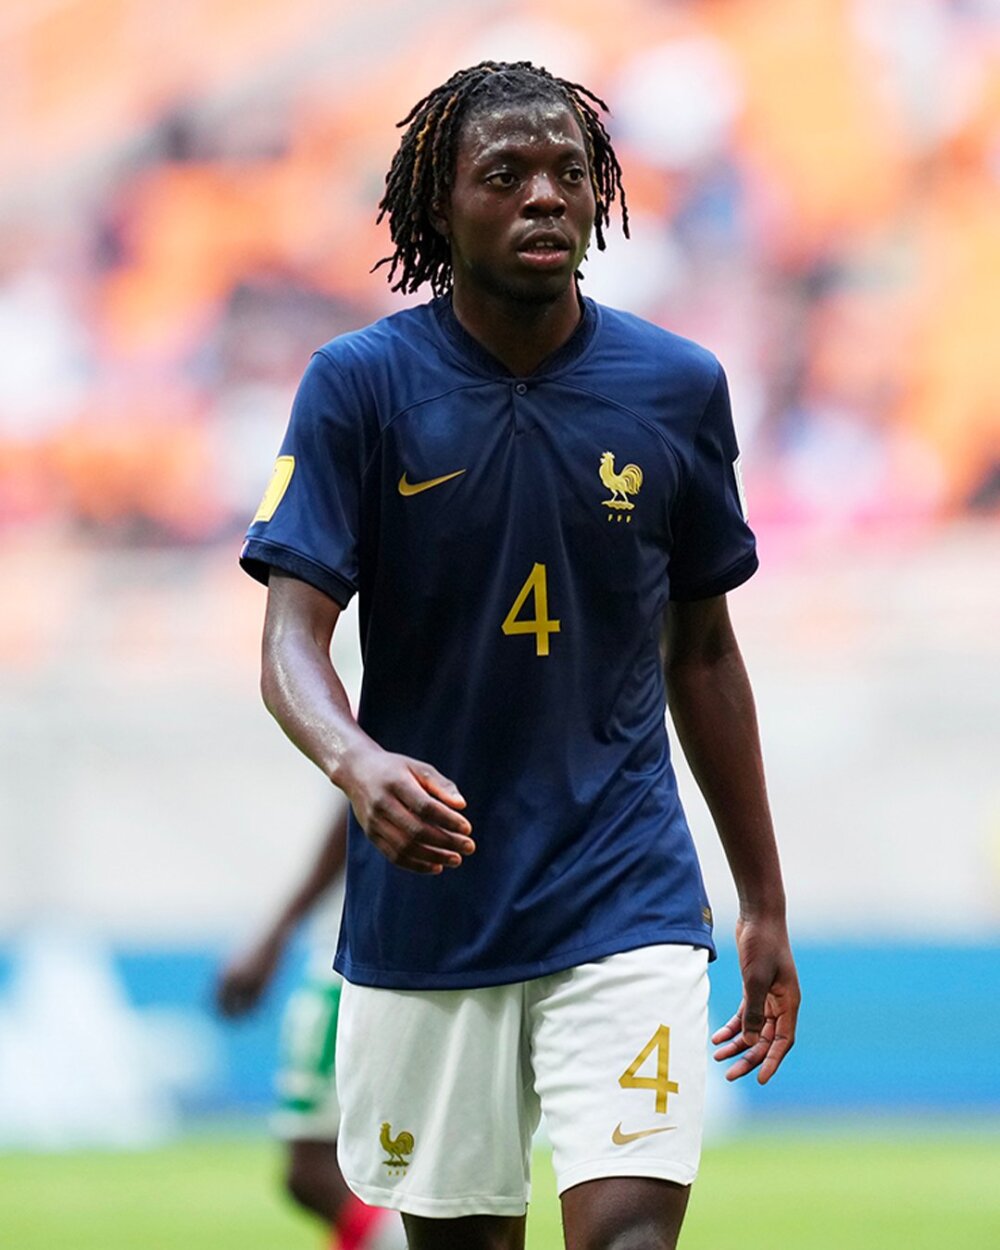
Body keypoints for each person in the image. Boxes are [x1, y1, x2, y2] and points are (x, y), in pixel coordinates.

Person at [239, 60, 800, 1250]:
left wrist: (761, 900)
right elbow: (290, 637)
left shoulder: (677, 387)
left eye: (569, 172)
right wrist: (355, 762)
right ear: (439, 207)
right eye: (505, 174)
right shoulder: (360, 387)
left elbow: (705, 654)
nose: (545, 195)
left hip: (626, 888)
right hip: (432, 903)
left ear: (600, 197)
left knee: (631, 1235)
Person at [215, 801, 406, 1250]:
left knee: (313, 1169)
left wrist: (275, 933)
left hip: (356, 962)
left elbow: (362, 801)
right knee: (390, 1167)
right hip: (389, 955)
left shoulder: (376, 762)